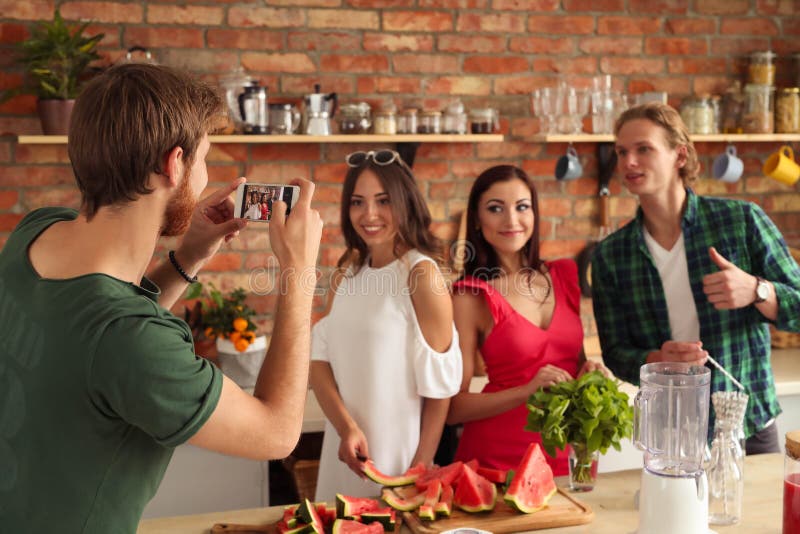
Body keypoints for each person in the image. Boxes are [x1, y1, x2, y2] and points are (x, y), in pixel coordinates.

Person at [0, 63, 323, 532]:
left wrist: (189, 255)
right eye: (205, 158)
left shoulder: (36, 232)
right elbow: (277, 433)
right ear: (174, 164)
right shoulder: (130, 339)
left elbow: (102, 328)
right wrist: (299, 271)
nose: (205, 174)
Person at [592, 102, 800, 453]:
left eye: (644, 149)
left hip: (746, 423)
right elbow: (615, 352)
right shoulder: (611, 255)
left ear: (680, 156)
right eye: (621, 151)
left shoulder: (741, 220)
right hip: (669, 431)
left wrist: (758, 290)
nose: (628, 162)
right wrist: (657, 359)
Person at [309, 149, 462, 501]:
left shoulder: (420, 274)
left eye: (383, 201)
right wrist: (346, 428)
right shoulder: (348, 269)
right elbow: (320, 362)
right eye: (358, 202)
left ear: (405, 202)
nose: (370, 214)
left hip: (399, 466)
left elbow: (441, 392)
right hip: (342, 453)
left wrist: (418, 471)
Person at [446, 165, 604, 475]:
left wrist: (591, 373)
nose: (511, 220)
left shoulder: (565, 274)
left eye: (522, 207)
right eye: (495, 209)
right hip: (496, 463)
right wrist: (526, 391)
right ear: (477, 220)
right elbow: (453, 409)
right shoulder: (470, 296)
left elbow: (574, 365)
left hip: (566, 456)